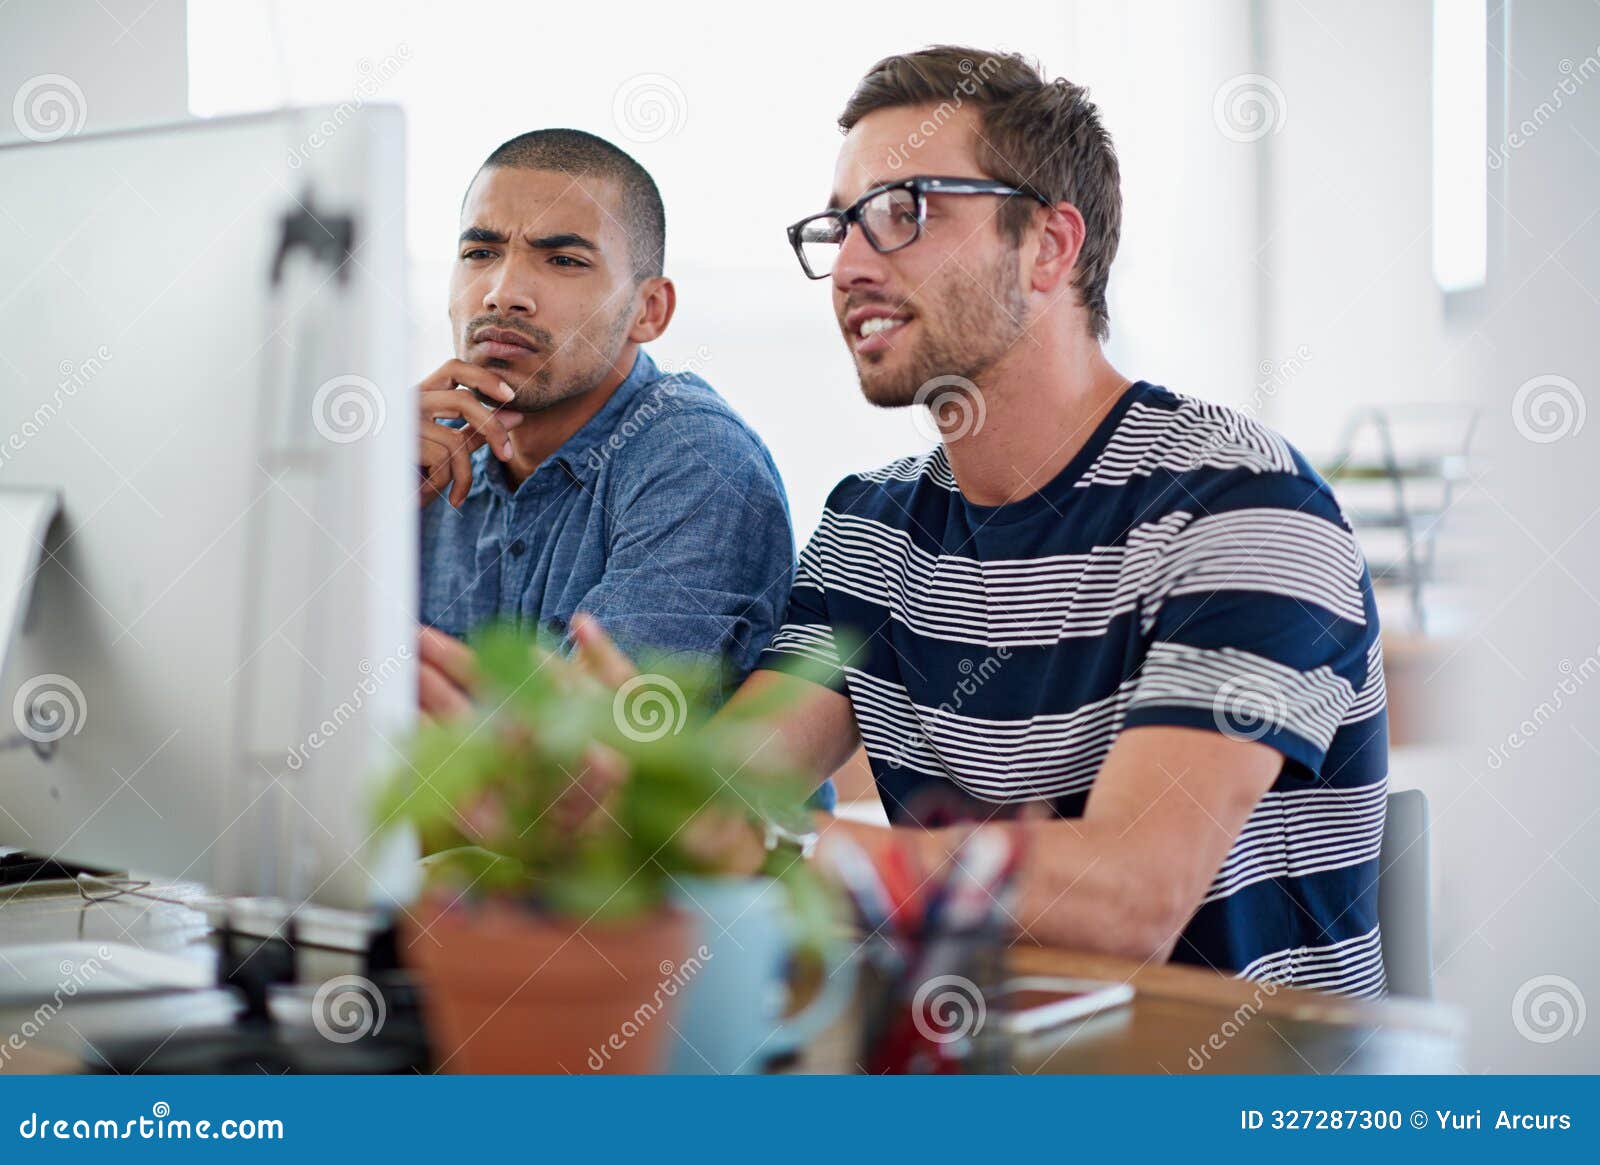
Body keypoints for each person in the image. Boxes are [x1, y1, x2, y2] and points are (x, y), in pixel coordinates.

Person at [570, 48, 1388, 996]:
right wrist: (581, 768)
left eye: (902, 211)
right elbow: (725, 789)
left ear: (1048, 245)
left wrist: (764, 839)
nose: (850, 267)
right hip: (975, 1057)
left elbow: (1129, 899)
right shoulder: (870, 531)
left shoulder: (1245, 508)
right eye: (840, 227)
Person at [415, 130, 834, 806]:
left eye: (563, 260)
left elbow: (568, 778)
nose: (503, 292)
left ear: (649, 310)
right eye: (480, 253)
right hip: (460, 862)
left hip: (659, 869)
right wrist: (357, 507)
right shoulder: (421, 456)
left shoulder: (695, 460)